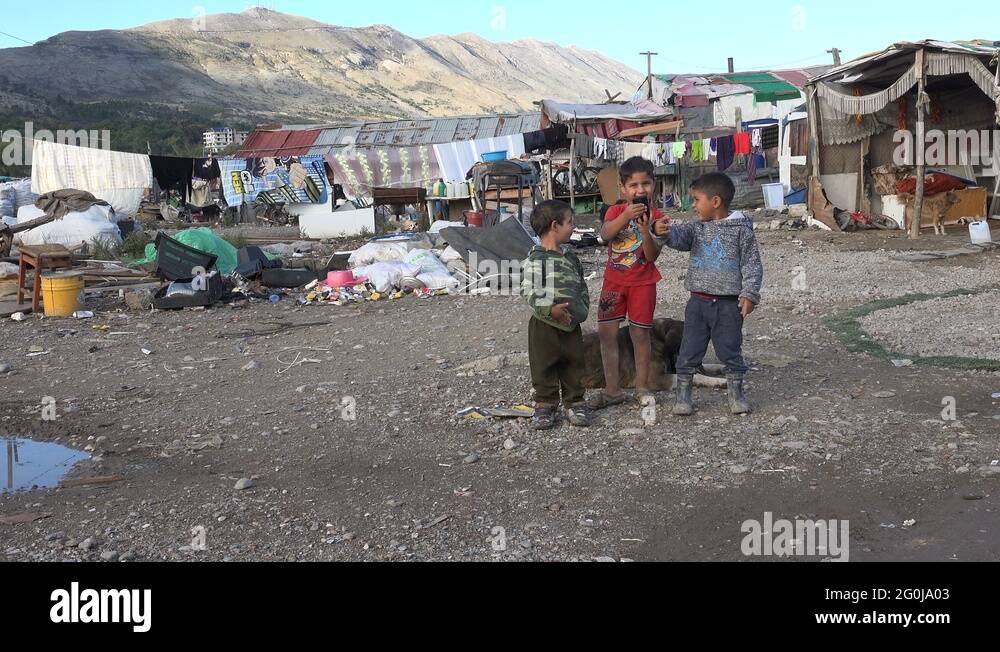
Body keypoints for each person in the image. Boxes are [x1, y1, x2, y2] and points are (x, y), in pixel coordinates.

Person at [653, 172, 764, 416]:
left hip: (728, 305)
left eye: (696, 200)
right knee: (689, 350)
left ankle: (736, 394)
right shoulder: (696, 228)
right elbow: (678, 238)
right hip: (698, 303)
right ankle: (683, 397)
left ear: (715, 202)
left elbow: (752, 265)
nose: (693, 205)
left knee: (730, 350)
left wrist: (749, 294)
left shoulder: (741, 230)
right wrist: (662, 231)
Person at [594, 157, 666, 408]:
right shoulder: (615, 211)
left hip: (643, 284)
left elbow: (651, 255)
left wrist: (646, 229)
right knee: (607, 334)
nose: (640, 190)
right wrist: (626, 215)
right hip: (613, 283)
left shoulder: (658, 217)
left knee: (640, 334)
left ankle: (642, 386)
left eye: (645, 183)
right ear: (623, 189)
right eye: (633, 185)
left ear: (653, 185)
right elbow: (604, 236)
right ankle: (612, 390)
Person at [521, 200, 592, 430]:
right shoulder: (536, 259)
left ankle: (575, 402)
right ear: (555, 225)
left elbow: (581, 284)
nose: (573, 227)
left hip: (571, 325)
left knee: (574, 363)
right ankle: (545, 405)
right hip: (544, 325)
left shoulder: (570, 257)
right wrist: (549, 310)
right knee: (543, 365)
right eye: (570, 222)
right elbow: (529, 291)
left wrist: (582, 308)